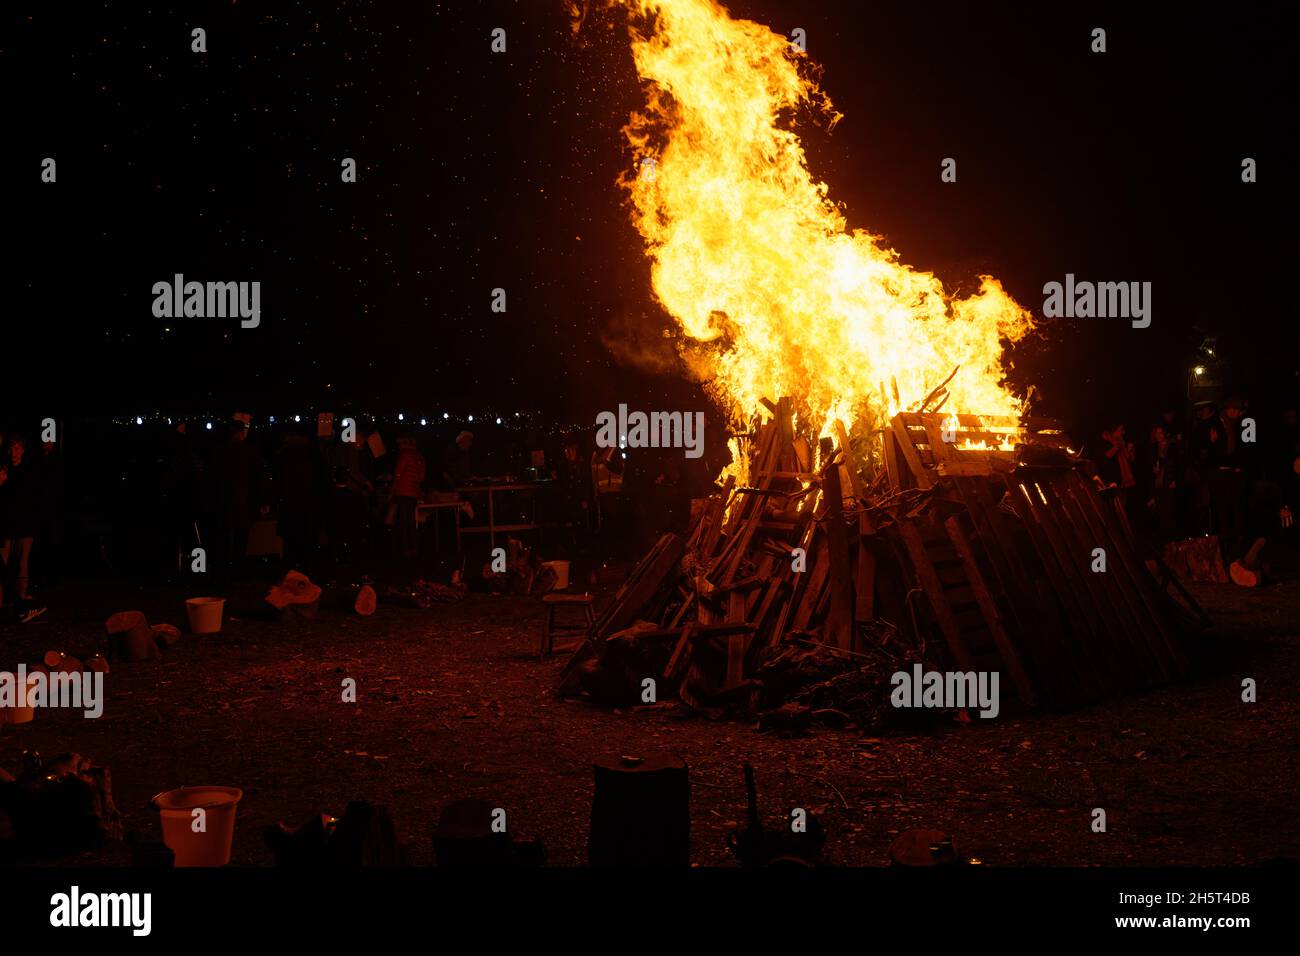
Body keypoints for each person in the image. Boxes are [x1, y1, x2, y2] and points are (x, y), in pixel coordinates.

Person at [0, 436, 47, 622]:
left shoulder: (28, 472)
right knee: (3, 567)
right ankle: (12, 606)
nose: (14, 452)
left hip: (24, 525)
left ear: (23, 450)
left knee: (21, 567)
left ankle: (20, 604)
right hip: (6, 526)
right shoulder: (5, 470)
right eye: (12, 449)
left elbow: (33, 498)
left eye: (17, 448)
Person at [389, 434, 426, 558]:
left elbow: (398, 475)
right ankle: (414, 547)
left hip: (402, 492)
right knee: (411, 521)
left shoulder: (403, 455)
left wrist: (392, 490)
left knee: (403, 521)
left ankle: (404, 549)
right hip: (413, 493)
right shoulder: (419, 456)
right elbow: (422, 476)